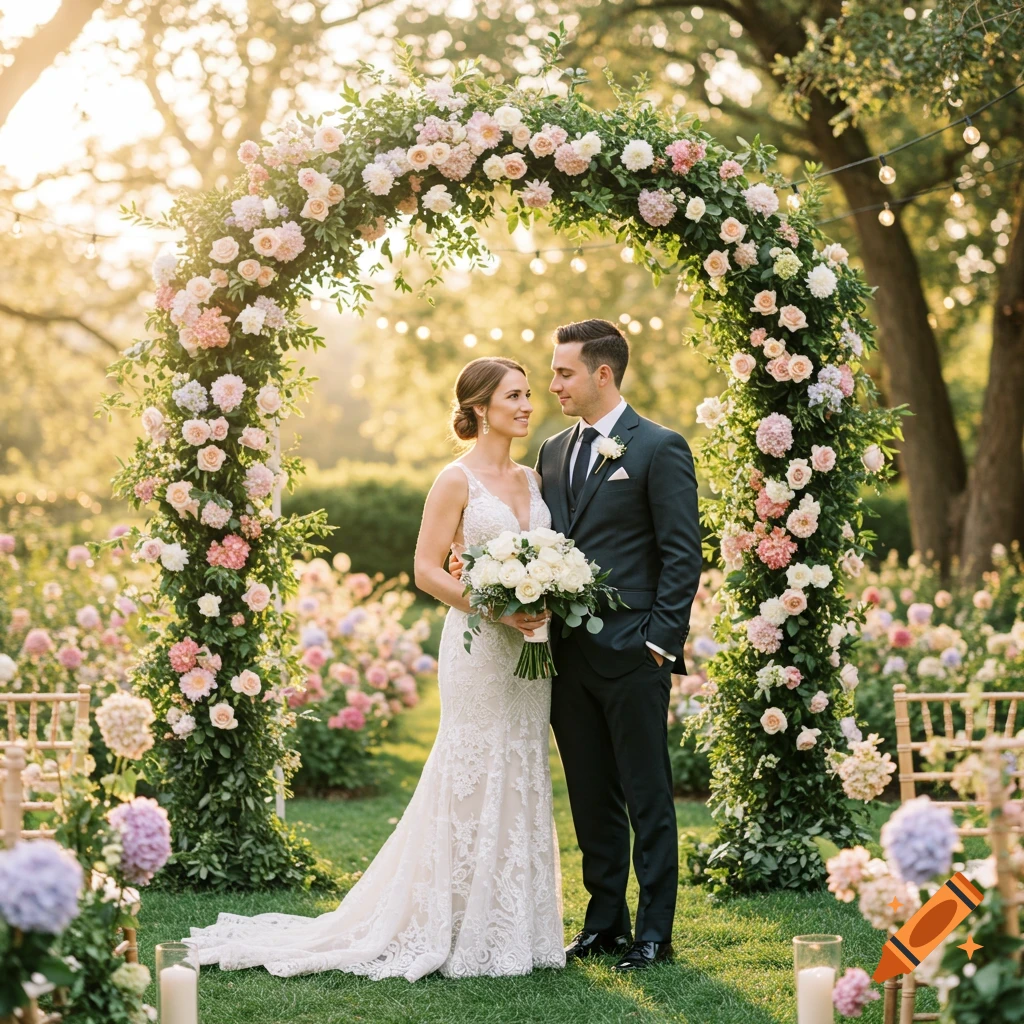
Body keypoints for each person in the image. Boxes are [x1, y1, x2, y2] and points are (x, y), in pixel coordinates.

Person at [183, 356, 565, 981]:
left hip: (532, 649)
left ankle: (513, 925)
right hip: (478, 644)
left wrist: (545, 594)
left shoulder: (534, 477)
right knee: (472, 765)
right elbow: (427, 569)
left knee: (521, 762)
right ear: (477, 408)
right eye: (513, 396)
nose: (526, 405)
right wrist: (497, 611)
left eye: (528, 394)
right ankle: (451, 921)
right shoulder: (455, 480)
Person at [454, 319, 701, 971]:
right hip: (563, 658)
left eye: (562, 373)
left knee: (647, 795)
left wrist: (659, 645)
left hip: (634, 656)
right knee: (592, 798)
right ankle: (604, 923)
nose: (551, 386)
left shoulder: (659, 448)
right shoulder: (555, 455)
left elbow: (682, 556)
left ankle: (654, 932)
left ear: (601, 373)